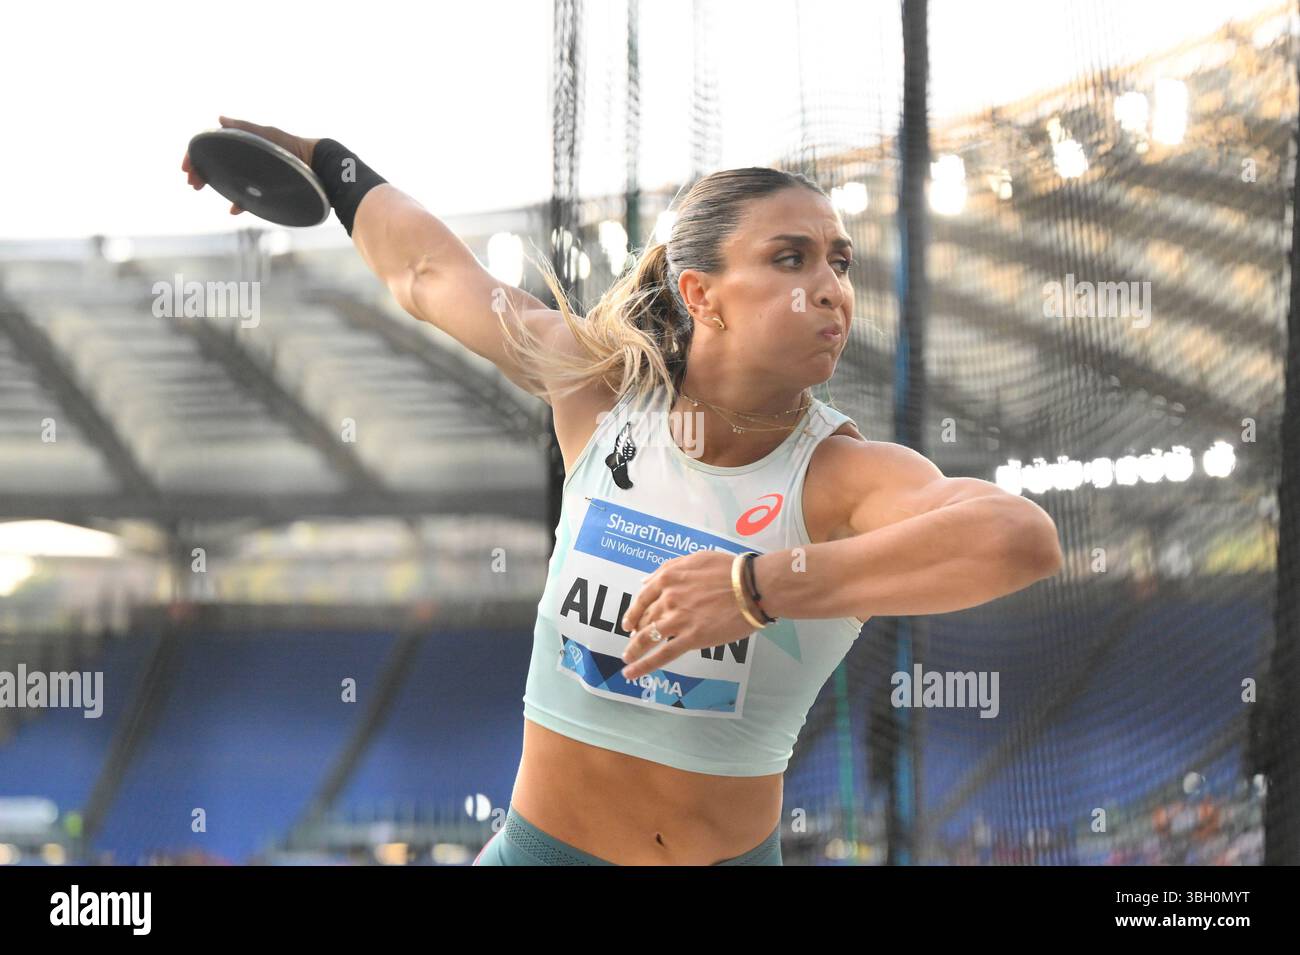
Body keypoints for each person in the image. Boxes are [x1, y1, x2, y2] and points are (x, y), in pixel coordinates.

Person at [184, 118, 1064, 866]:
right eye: (791, 259)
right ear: (700, 293)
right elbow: (428, 277)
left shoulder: (841, 473)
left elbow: (1020, 539)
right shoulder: (600, 394)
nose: (830, 288)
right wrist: (329, 161)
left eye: (840, 262)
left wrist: (754, 587)